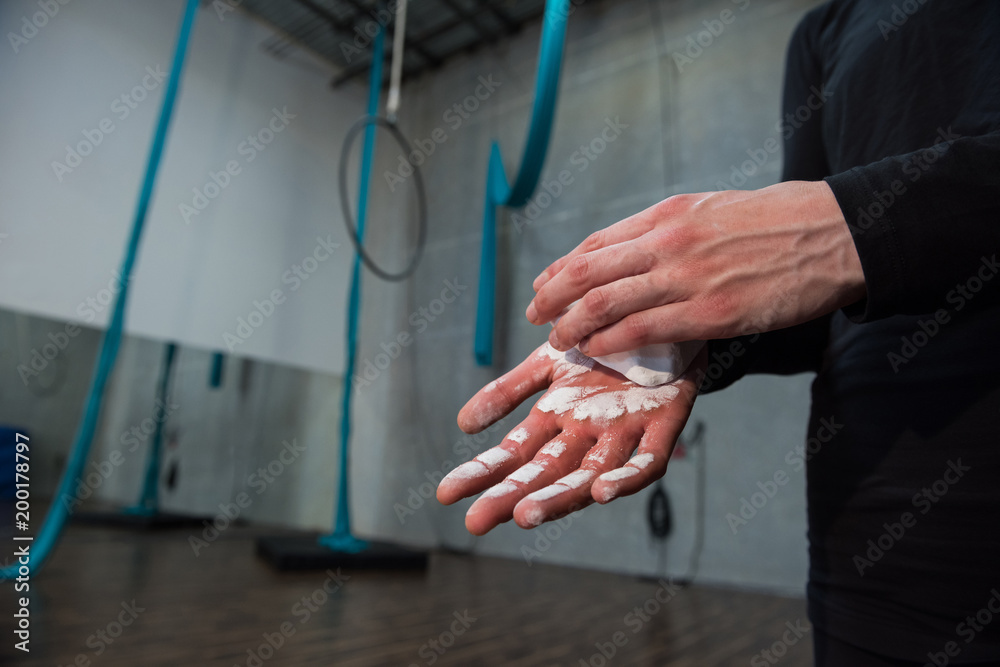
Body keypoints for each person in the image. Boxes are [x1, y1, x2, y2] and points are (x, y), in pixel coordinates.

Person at [437, 0, 1000, 664]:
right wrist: (675, 337)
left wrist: (843, 228)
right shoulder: (823, 32)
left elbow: (828, 243)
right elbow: (809, 306)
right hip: (869, 515)